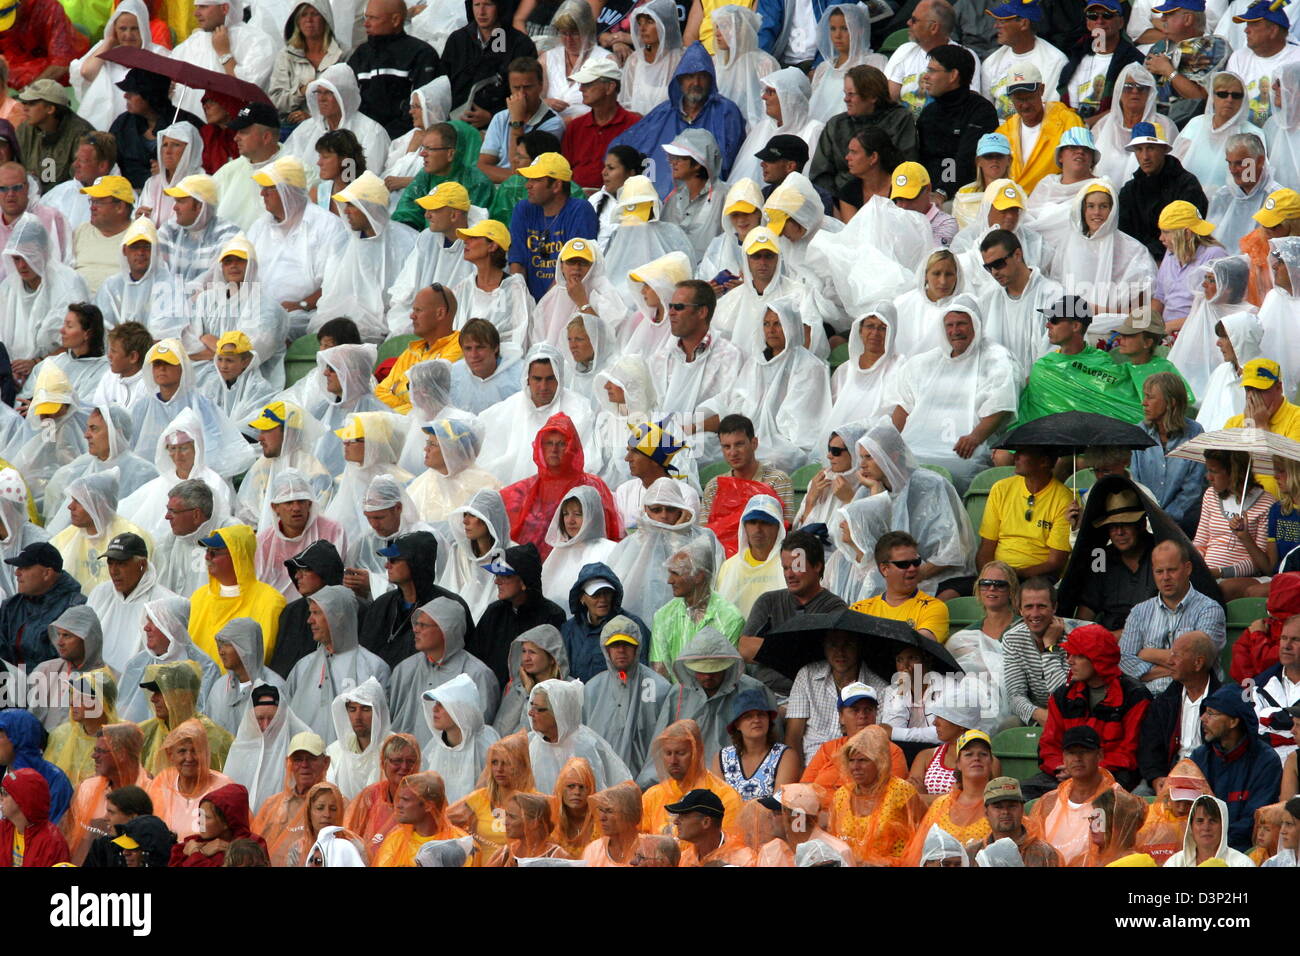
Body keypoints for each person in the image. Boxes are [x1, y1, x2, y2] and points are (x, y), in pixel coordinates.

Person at [1033, 623, 1151, 797]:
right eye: (1069, 654)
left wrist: (1088, 769)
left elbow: (1130, 753)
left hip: (1113, 776)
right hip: (1065, 774)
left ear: (1098, 660)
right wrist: (1064, 767)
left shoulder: (1135, 696)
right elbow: (1048, 745)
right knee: (1023, 795)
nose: (1069, 660)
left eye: (1078, 656)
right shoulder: (1063, 696)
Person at [285, 585, 390, 743]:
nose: (309, 620)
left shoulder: (374, 668)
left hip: (352, 764)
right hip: (306, 763)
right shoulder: (302, 667)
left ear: (338, 616)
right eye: (310, 613)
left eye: (316, 613)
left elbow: (382, 726)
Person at [389, 595, 497, 748]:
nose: (415, 629)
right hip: (404, 763)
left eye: (423, 625)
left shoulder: (477, 675)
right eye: (416, 624)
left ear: (446, 629)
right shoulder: (404, 669)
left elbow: (480, 731)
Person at [1027, 725, 1137, 865]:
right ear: (1064, 758)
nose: (1077, 758)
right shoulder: (1048, 802)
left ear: (1100, 755)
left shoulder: (1119, 802)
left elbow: (1124, 853)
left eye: (1084, 751)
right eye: (1071, 753)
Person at [188, 525, 287, 669]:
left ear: (237, 556)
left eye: (214, 552)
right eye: (207, 551)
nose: (207, 557)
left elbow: (261, 655)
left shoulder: (270, 601)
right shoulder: (199, 597)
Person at [1138, 629, 1221, 790]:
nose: (1169, 661)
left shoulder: (1223, 704)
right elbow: (1149, 748)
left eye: (1176, 655)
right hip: (1169, 776)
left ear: (1198, 663)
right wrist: (1156, 779)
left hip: (1210, 779)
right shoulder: (1164, 702)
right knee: (1140, 797)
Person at [345, 0, 439, 138]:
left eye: (373, 18)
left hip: (403, 140)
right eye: (366, 17)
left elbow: (424, 107)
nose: (366, 23)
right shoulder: (361, 54)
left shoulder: (421, 53)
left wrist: (385, 136)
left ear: (395, 20)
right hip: (361, 138)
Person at [651, 541, 745, 676]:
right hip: (676, 696)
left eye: (676, 573)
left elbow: (729, 672)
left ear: (698, 576)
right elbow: (660, 672)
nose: (669, 580)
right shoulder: (663, 616)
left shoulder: (730, 618)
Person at [1118, 121, 1209, 261]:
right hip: (1136, 263)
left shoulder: (1187, 184)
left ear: (1163, 149)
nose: (1145, 156)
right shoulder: (1129, 190)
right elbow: (1123, 234)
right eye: (1139, 149)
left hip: (1181, 261)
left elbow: (1189, 232)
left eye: (1150, 148)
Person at [446, 731, 537, 865]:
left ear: (521, 765)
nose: (499, 769)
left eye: (506, 763)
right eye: (495, 762)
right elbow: (441, 821)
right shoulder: (479, 798)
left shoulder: (535, 801)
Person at [640, 718, 743, 834]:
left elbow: (729, 845)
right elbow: (640, 843)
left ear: (697, 753)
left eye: (681, 753)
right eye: (668, 753)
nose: (673, 761)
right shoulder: (652, 797)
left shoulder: (725, 797)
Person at [1144, 0, 1229, 127]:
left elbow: (1198, 97)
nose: (1162, 19)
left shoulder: (1212, 47)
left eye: (1169, 14)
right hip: (1153, 125)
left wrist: (1168, 71)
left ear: (1188, 19)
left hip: (1190, 128)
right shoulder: (1159, 47)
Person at [205, 619, 288, 738]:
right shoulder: (219, 687)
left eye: (227, 645)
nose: (221, 651)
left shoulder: (274, 687)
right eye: (220, 645)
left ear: (245, 647)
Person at [371, 771, 466, 867]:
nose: (398, 805)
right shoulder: (396, 841)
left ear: (428, 805)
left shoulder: (459, 844)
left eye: (405, 800)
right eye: (398, 799)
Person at [341, 730, 419, 845]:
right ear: (383, 763)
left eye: (410, 761)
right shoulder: (370, 796)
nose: (404, 767)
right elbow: (349, 836)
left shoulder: (428, 796)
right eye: (397, 761)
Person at [13, 82, 93, 193]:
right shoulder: (25, 129)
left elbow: (80, 182)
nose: (25, 108)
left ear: (50, 109)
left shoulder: (81, 134)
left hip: (67, 201)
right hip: (30, 198)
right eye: (24, 103)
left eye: (31, 103)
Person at [964, 776, 1062, 865]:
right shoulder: (971, 853)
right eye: (998, 807)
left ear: (1022, 809)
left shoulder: (1045, 854)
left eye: (1012, 806)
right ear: (986, 812)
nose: (1005, 812)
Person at [0, 709, 73, 824]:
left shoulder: (55, 780)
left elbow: (54, 832)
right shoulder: (3, 772)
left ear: (20, 739)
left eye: (0, 737)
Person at [325, 677, 389, 801]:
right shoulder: (335, 751)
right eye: (352, 710)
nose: (357, 717)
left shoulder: (395, 748)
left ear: (378, 712)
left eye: (365, 709)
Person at [0, 768, 70, 866]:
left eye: (5, 793)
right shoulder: (3, 829)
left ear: (23, 801)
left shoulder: (52, 844)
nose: (1, 797)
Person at [1163, 793, 1257, 866]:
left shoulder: (1242, 864)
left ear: (1223, 826)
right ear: (1191, 827)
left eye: (1213, 821)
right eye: (1200, 821)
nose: (1206, 827)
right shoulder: (1175, 863)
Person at [580, 778, 642, 866]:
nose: (602, 817)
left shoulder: (649, 850)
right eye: (600, 810)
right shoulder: (593, 851)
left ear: (629, 814)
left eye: (609, 811)